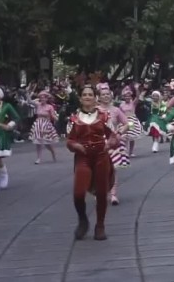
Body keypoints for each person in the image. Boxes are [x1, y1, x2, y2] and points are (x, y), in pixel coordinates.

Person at [67, 84, 119, 240]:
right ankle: (82, 219)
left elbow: (113, 136)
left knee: (102, 192)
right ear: (80, 99)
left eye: (90, 94)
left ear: (95, 98)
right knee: (78, 192)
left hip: (101, 157)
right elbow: (69, 140)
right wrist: (76, 146)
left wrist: (109, 144)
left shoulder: (104, 116)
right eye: (85, 95)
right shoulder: (73, 119)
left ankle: (100, 225)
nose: (88, 97)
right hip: (83, 157)